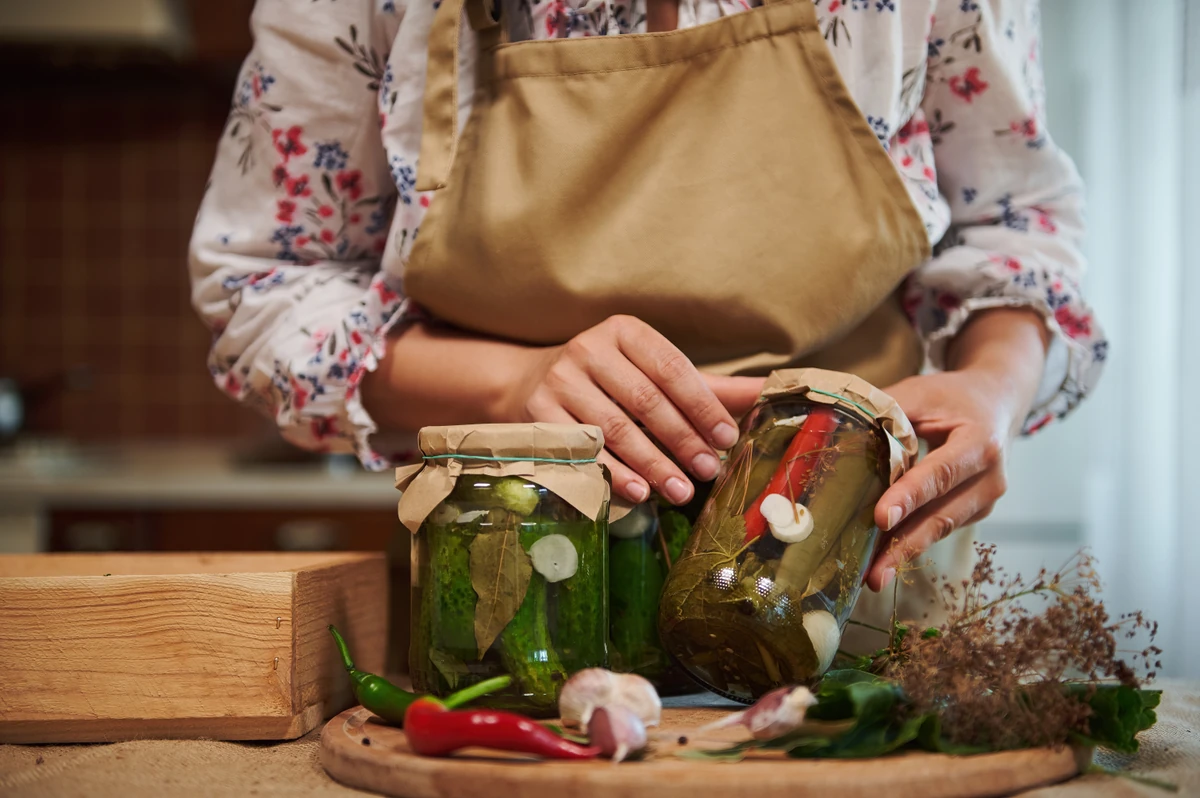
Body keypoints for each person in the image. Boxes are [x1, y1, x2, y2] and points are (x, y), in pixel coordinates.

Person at [189, 0, 1104, 608]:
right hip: (504, 614)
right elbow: (262, 292)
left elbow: (1016, 226)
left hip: (850, 587)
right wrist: (516, 385)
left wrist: (992, 384)